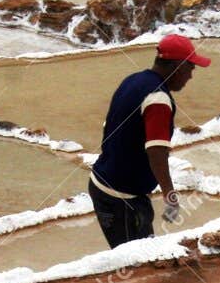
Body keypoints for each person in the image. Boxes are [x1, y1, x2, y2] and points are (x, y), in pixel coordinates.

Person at [89, 33, 210, 248]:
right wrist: (170, 197)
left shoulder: (133, 81)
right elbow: (156, 152)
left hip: (104, 184)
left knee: (137, 254)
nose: (191, 75)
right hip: (121, 196)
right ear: (177, 66)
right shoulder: (158, 99)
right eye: (190, 68)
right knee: (135, 263)